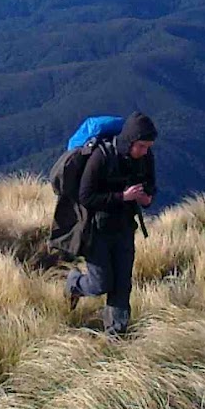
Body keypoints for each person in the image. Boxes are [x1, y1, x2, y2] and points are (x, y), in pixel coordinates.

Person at [66, 111, 157, 336]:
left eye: (148, 147)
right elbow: (86, 196)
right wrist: (122, 197)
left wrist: (146, 199)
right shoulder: (101, 157)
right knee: (101, 284)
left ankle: (116, 334)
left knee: (122, 284)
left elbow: (151, 186)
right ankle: (74, 283)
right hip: (97, 231)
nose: (145, 151)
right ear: (130, 141)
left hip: (125, 228)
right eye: (142, 146)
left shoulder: (145, 159)